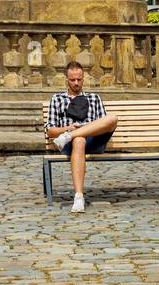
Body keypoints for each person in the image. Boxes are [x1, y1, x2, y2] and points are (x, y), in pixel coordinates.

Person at [45, 61, 118, 213]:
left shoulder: (94, 98)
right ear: (66, 79)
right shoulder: (58, 99)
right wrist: (69, 129)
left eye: (79, 79)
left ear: (83, 78)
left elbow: (105, 124)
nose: (76, 83)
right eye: (72, 80)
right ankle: (79, 197)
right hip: (71, 144)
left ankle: (71, 136)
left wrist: (80, 130)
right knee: (79, 140)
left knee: (113, 118)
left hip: (94, 139)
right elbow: (50, 131)